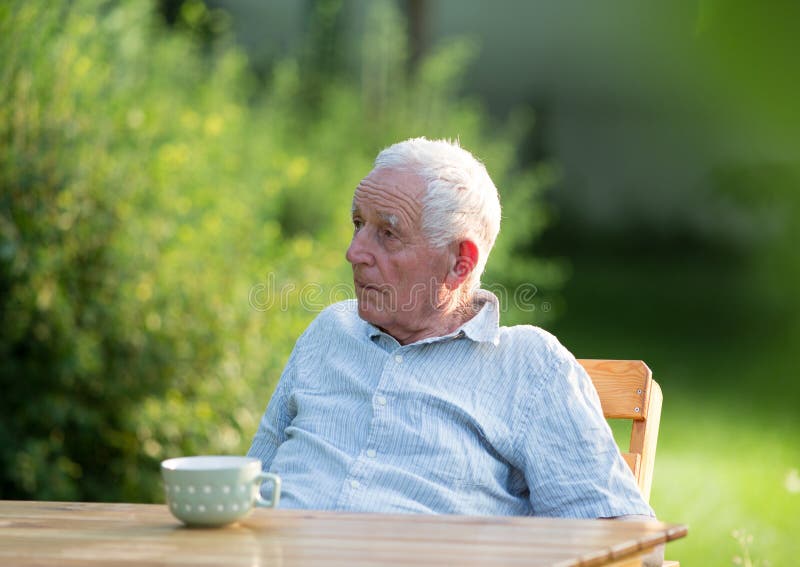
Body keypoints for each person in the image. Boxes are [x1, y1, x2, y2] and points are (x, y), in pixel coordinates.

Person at [247, 137, 663, 564]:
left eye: (388, 234)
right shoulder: (330, 331)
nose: (354, 252)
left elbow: (630, 543)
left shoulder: (528, 367)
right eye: (358, 224)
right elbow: (249, 490)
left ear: (460, 263)